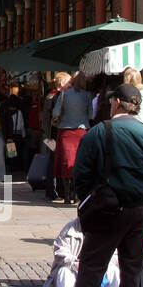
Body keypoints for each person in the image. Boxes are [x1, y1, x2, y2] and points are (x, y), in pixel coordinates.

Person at [58, 83, 143, 287]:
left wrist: (89, 198)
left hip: (106, 208)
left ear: (116, 102)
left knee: (92, 267)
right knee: (131, 269)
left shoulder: (98, 132)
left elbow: (81, 174)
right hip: (138, 210)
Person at [42, 216, 120, 287]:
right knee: (63, 271)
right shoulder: (70, 228)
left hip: (97, 273)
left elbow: (114, 254)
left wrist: (100, 265)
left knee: (114, 272)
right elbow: (60, 253)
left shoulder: (106, 228)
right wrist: (78, 264)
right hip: (75, 272)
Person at [53, 72, 93, 204]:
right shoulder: (87, 95)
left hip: (66, 131)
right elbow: (91, 115)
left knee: (66, 163)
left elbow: (56, 112)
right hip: (82, 130)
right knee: (78, 163)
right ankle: (76, 195)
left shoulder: (64, 94)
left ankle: (66, 195)